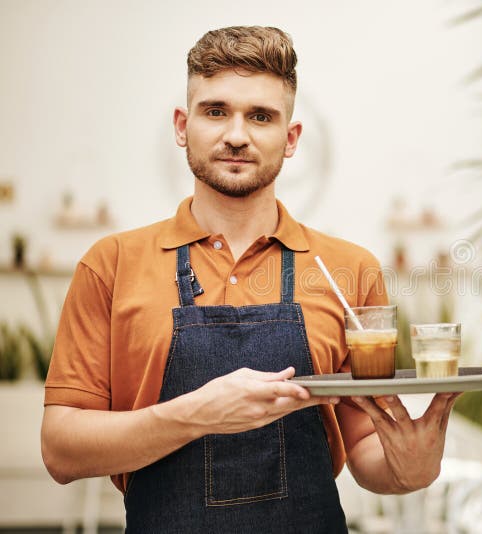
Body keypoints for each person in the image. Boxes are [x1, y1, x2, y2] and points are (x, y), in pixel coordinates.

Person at [40, 26, 458, 533]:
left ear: (291, 138)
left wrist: (408, 467)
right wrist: (199, 413)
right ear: (181, 125)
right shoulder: (110, 264)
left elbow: (364, 445)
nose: (236, 134)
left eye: (261, 116)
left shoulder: (351, 270)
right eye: (215, 111)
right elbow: (61, 449)